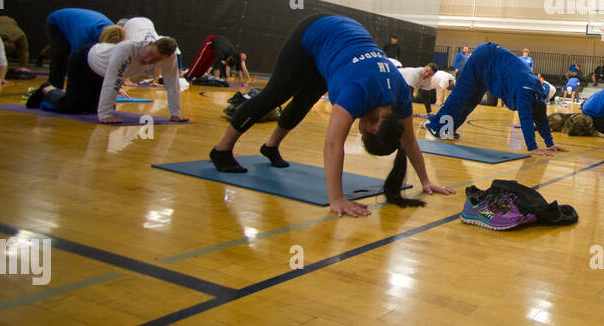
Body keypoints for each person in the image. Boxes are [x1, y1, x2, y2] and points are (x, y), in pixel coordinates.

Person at [208, 14, 454, 217]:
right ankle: (221, 150)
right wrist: (336, 199)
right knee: (275, 95)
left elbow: (408, 141)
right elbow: (333, 144)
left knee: (304, 101)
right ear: (369, 127)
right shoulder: (356, 93)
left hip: (341, 46)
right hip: (318, 31)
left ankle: (270, 147)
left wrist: (425, 181)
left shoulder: (399, 98)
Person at [425, 42, 565, 157]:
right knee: (462, 96)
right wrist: (533, 147)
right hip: (484, 58)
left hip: (490, 64)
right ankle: (435, 126)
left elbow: (541, 118)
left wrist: (550, 143)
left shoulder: (538, 96)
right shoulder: (527, 92)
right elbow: (526, 117)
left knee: (472, 101)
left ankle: (448, 128)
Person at [24, 37, 187, 123]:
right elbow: (113, 80)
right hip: (83, 62)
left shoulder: (169, 59)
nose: (149, 60)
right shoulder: (127, 49)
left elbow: (172, 84)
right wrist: (106, 114)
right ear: (149, 44)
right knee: (72, 106)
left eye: (155, 59)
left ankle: (92, 105)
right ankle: (46, 89)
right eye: (149, 54)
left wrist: (175, 113)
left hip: (101, 71)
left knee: (92, 108)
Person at [43, 8, 122, 89]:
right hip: (57, 22)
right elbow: (75, 62)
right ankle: (53, 87)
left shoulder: (116, 33)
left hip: (82, 22)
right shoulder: (83, 39)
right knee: (61, 56)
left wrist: (113, 86)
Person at [185, 34, 251, 86]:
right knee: (201, 59)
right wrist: (217, 80)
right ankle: (188, 75)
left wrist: (241, 82)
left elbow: (239, 70)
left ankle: (198, 76)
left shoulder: (237, 56)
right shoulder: (221, 54)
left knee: (208, 63)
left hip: (219, 45)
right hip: (211, 41)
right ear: (227, 60)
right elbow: (216, 69)